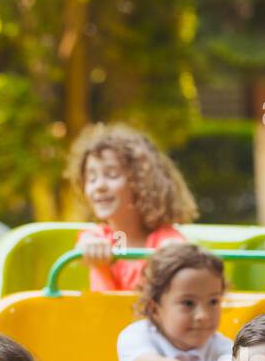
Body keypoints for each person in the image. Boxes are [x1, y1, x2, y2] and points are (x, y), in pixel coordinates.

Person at [93, 242, 232, 361]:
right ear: (155, 308)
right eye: (188, 303)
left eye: (213, 301)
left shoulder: (219, 346)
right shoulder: (136, 336)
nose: (203, 315)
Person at [65, 123, 198, 292]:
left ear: (141, 184)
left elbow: (177, 250)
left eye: (111, 174)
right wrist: (90, 247)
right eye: (91, 178)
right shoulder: (100, 237)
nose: (99, 186)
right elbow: (86, 243)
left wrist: (175, 255)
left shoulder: (163, 238)